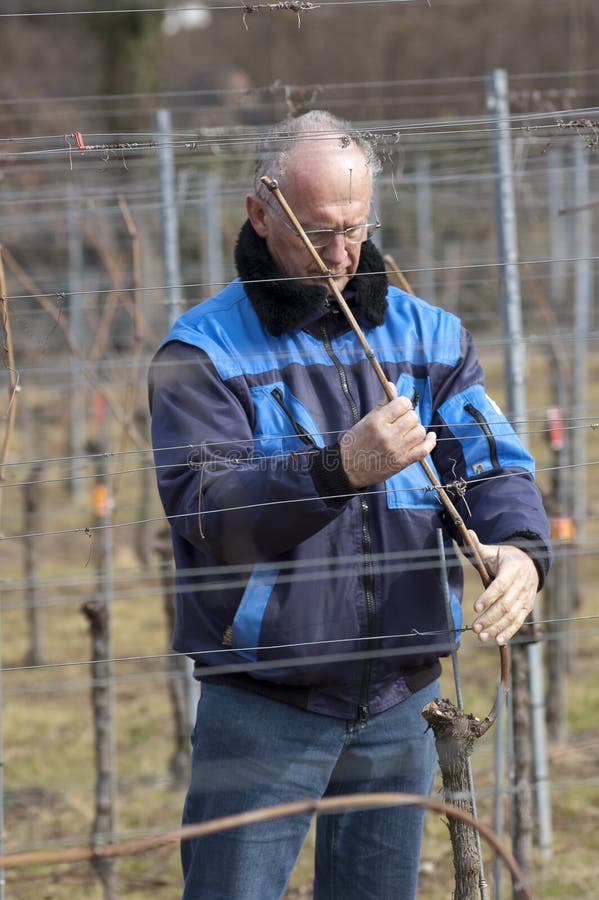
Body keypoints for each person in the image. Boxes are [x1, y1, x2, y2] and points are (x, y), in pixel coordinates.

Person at [149, 110, 551, 900]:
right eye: (319, 232)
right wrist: (338, 468)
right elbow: (208, 513)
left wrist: (517, 551)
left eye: (357, 230)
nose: (343, 255)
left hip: (403, 697)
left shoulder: (429, 338)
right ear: (260, 214)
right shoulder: (201, 353)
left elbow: (492, 462)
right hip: (263, 697)